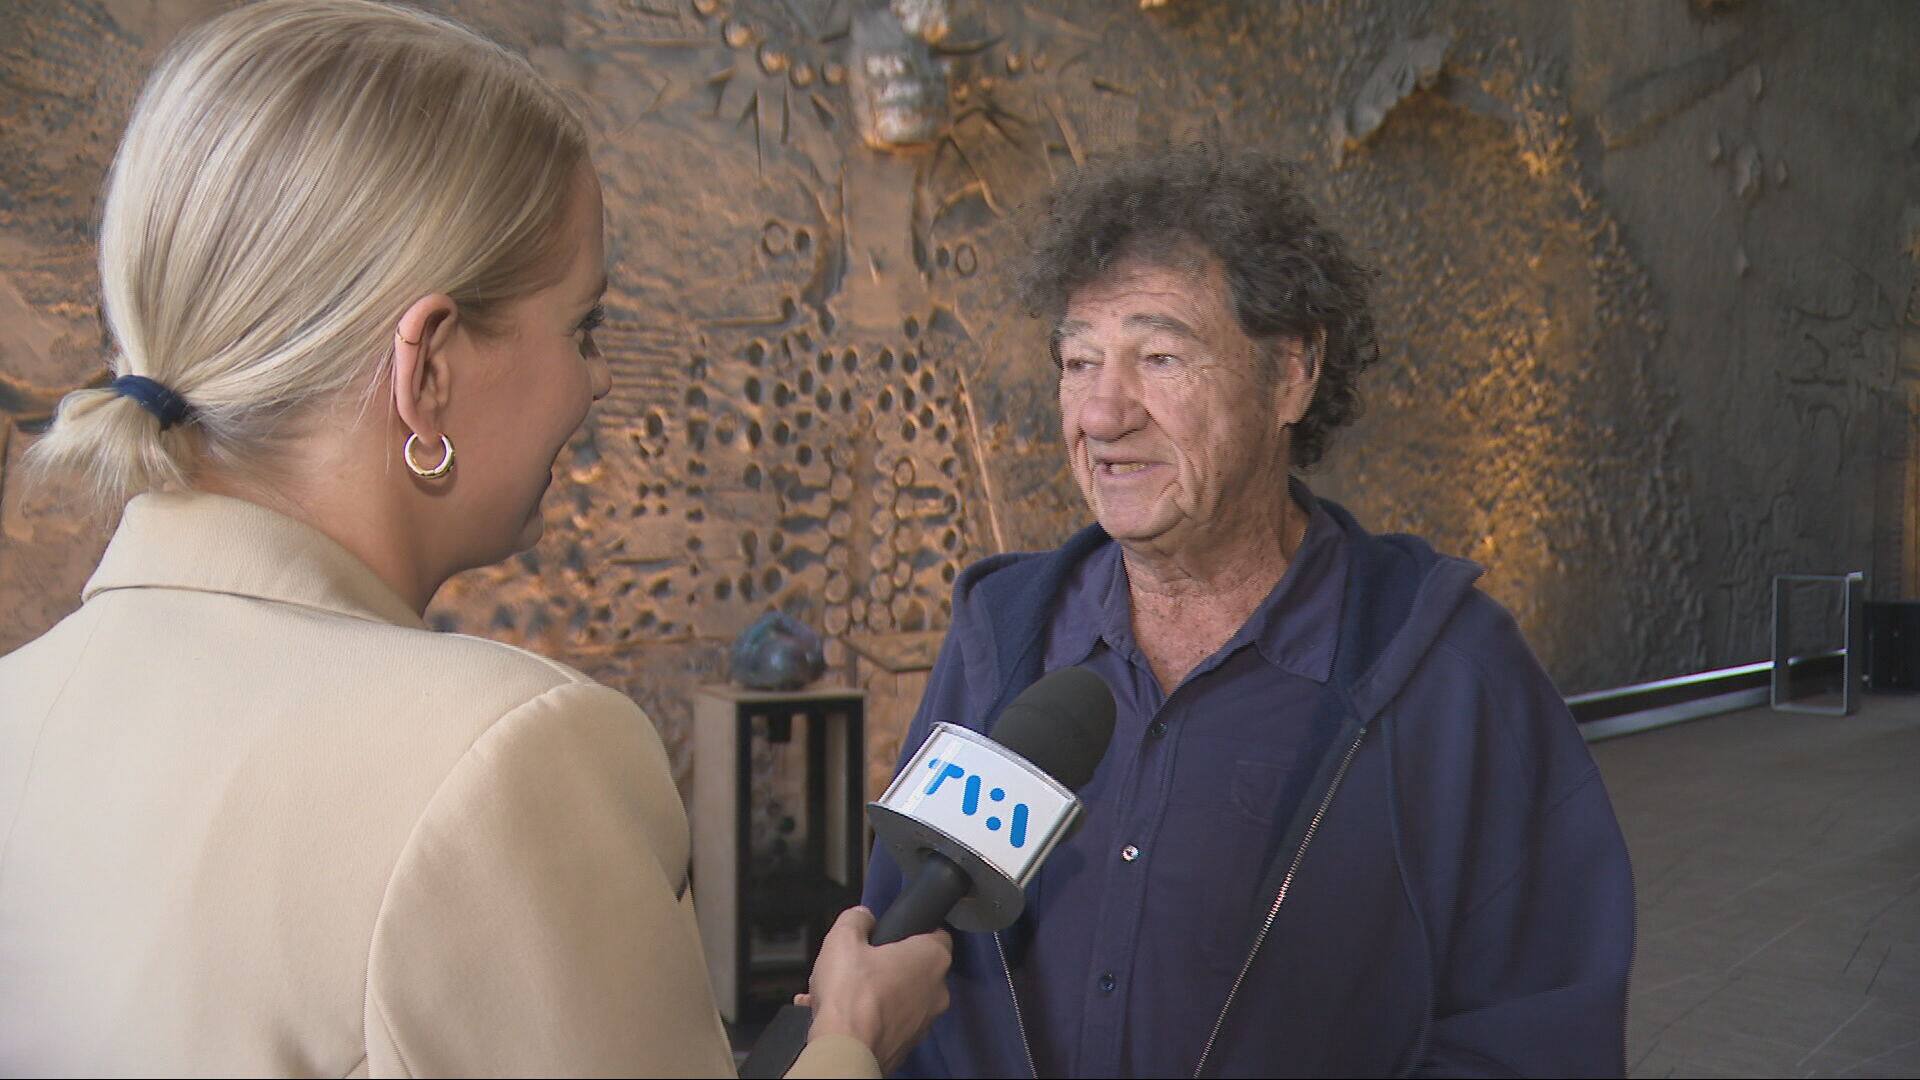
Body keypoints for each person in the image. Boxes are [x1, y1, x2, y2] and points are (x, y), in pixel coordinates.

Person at [0, 2, 949, 1075]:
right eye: (584, 325)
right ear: (430, 370)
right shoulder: (503, 759)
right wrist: (851, 1044)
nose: (595, 383)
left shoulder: (20, 705)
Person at [862, 143, 1635, 1078]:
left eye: (1158, 356)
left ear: (1293, 373)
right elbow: (901, 958)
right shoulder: (1001, 638)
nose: (1102, 414)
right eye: (1078, 360)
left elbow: (1538, 1030)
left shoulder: (1447, 672)